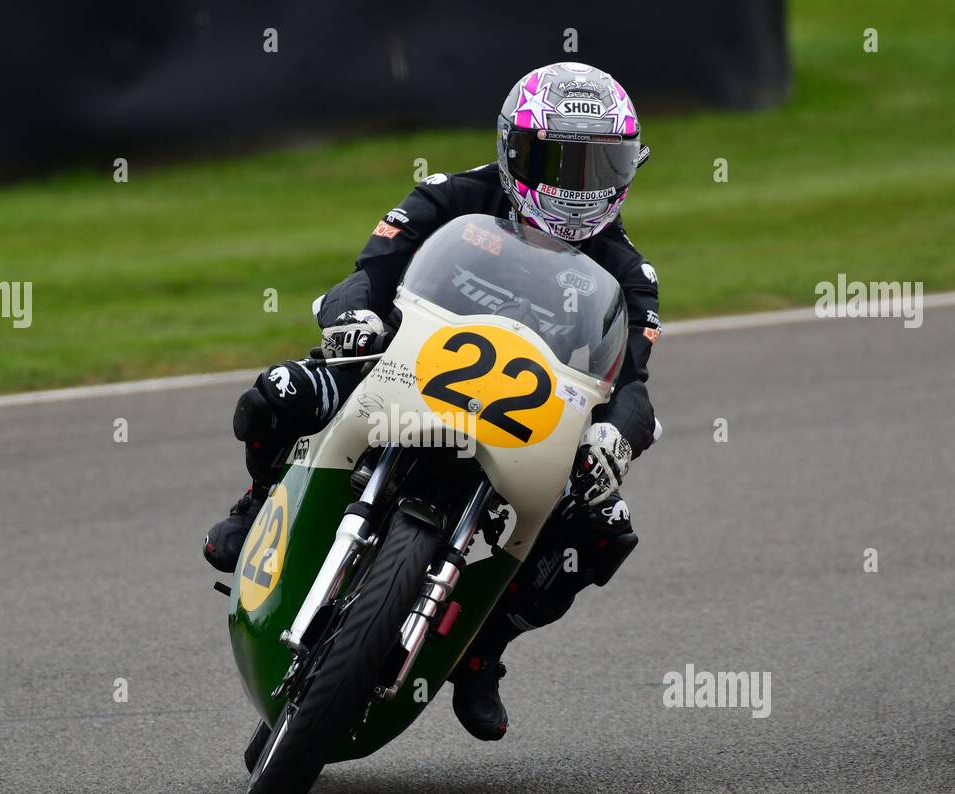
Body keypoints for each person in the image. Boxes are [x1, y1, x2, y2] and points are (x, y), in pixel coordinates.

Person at [205, 61, 661, 741]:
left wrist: (614, 441)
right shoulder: (451, 195)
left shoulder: (628, 274)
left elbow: (632, 385)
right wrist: (350, 317)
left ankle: (482, 649)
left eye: (598, 167)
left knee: (604, 530)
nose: (576, 186)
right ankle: (255, 500)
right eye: (559, 161)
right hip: (400, 371)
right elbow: (370, 271)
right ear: (514, 149)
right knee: (279, 393)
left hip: (522, 426)